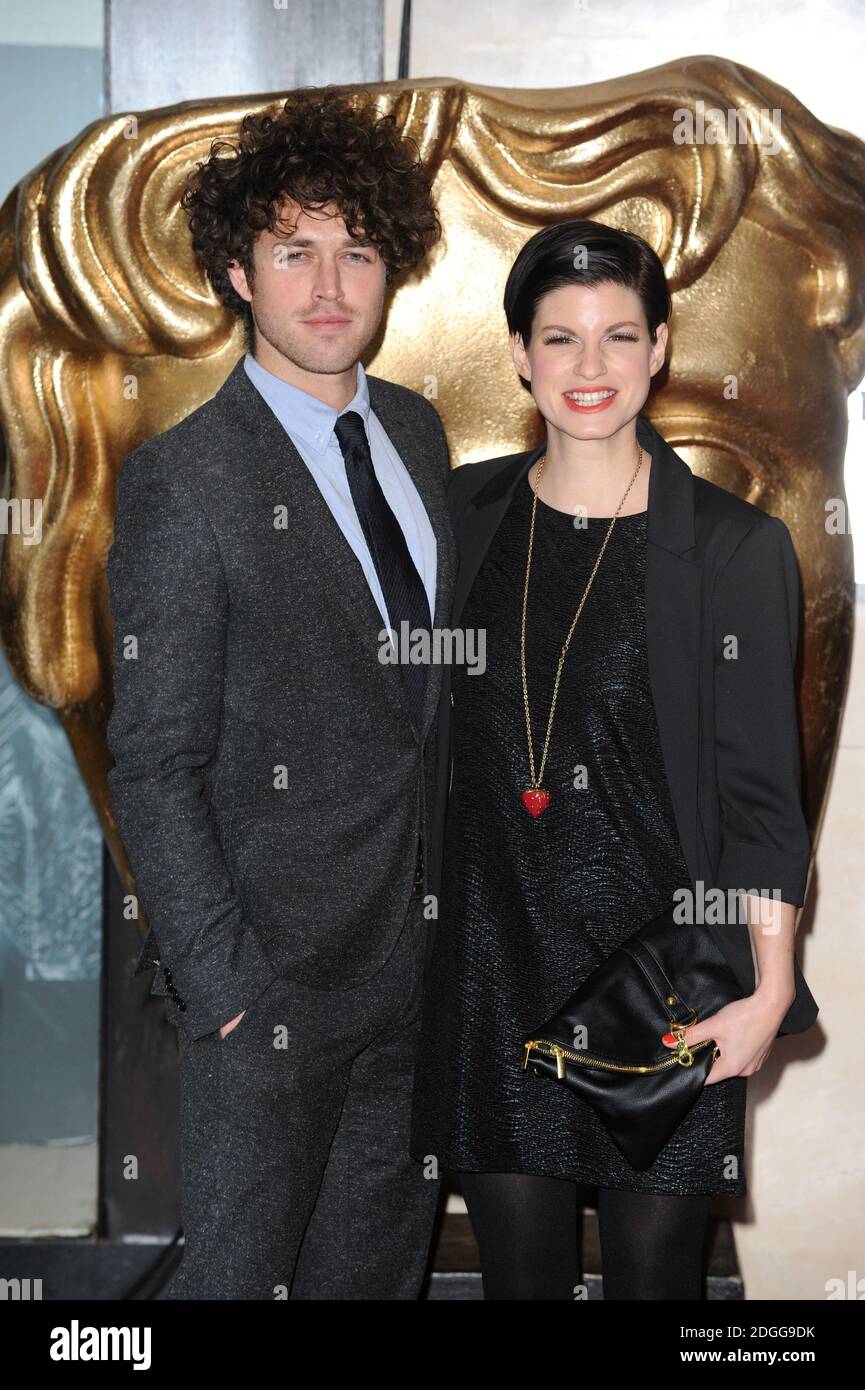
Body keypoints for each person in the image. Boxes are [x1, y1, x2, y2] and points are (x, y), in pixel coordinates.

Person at [410, 218, 818, 1300]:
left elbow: (763, 796)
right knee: (521, 1286)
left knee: (656, 1284)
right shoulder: (462, 516)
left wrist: (769, 986)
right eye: (559, 339)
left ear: (660, 348)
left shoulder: (734, 547)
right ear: (517, 354)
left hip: (669, 980)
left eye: (617, 337)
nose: (588, 368)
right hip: (496, 972)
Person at [106, 87, 455, 1299]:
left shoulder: (416, 436)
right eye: (293, 249)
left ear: (389, 266)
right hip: (270, 994)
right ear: (238, 270)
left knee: (378, 1281)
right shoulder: (186, 483)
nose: (328, 284)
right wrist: (229, 993)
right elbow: (151, 758)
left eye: (356, 250)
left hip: (416, 976)